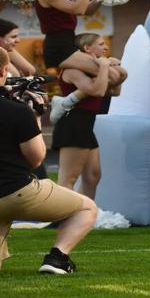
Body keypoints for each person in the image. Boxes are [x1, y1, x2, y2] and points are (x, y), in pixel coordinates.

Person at [0, 42, 98, 275]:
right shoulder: (17, 110)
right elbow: (36, 158)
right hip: (18, 193)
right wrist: (35, 116)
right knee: (87, 208)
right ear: (4, 70)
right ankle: (57, 258)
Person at [52, 33, 126, 199]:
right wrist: (105, 67)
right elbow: (98, 91)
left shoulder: (95, 71)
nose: (106, 47)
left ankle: (86, 213)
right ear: (86, 48)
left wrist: (115, 69)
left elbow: (114, 91)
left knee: (93, 175)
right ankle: (63, 216)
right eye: (100, 44)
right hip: (73, 123)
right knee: (68, 178)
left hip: (87, 123)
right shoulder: (72, 70)